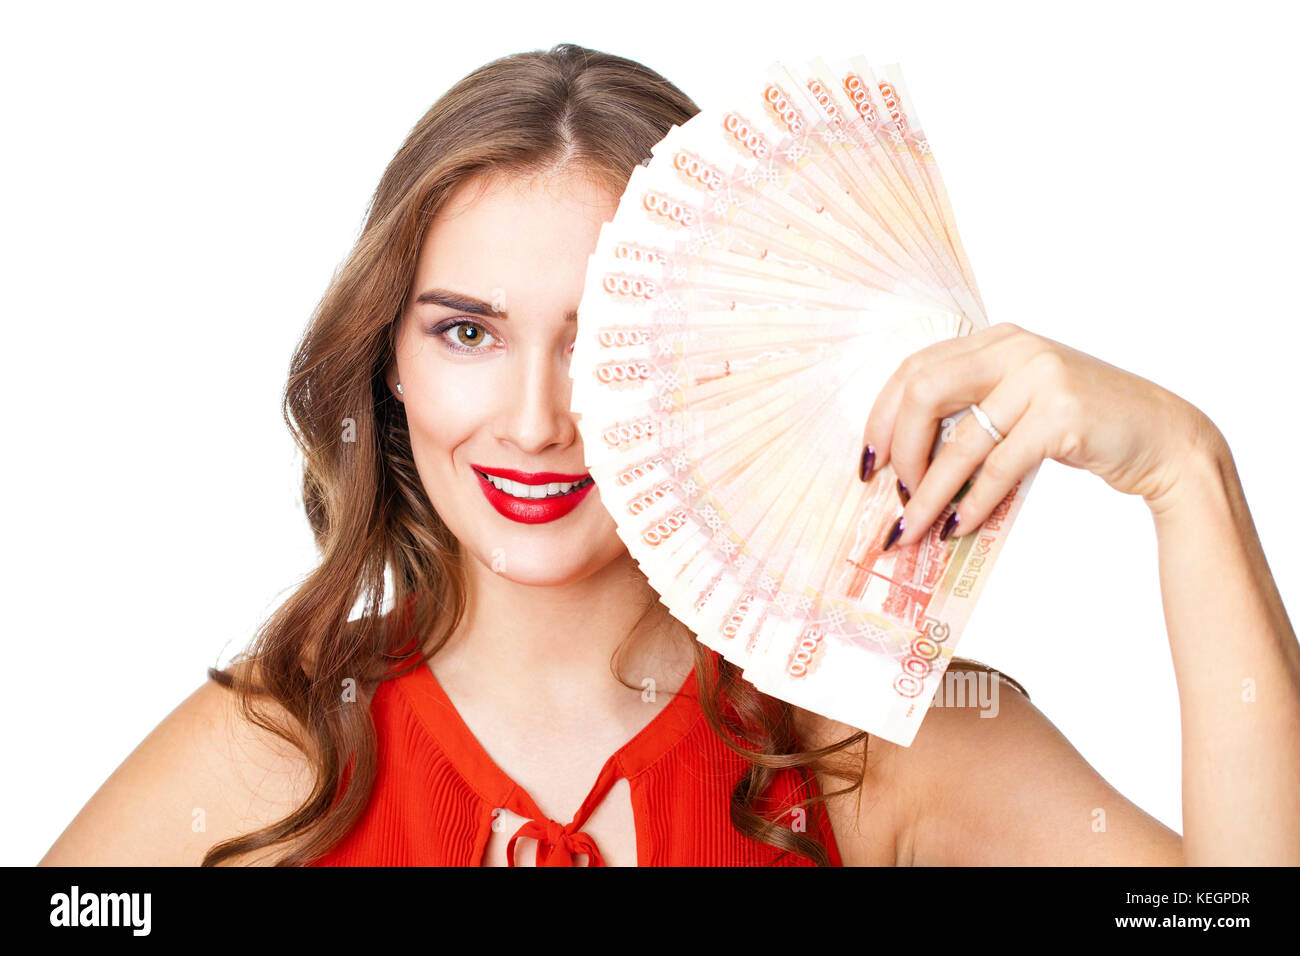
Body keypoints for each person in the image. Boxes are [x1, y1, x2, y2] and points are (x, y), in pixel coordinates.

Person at [38, 43, 1299, 867]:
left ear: (715, 361)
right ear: (390, 361)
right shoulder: (279, 747)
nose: (535, 419)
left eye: (603, 345)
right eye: (468, 330)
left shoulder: (873, 743)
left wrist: (1189, 473)